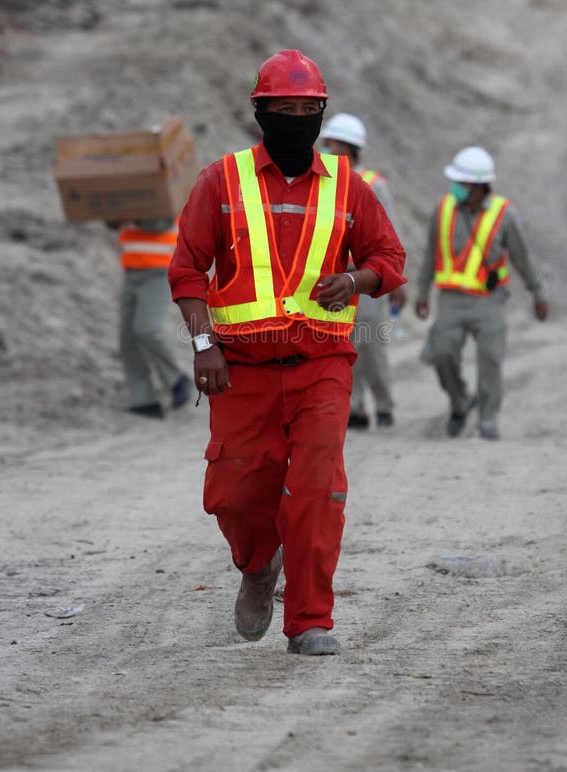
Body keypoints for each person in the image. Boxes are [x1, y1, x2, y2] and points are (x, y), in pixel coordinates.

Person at [169, 50, 406, 656]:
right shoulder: (221, 181)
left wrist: (354, 282)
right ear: (260, 113)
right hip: (240, 371)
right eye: (283, 109)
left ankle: (310, 621)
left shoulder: (348, 187)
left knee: (317, 490)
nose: (296, 118)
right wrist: (204, 344)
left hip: (321, 368)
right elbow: (188, 269)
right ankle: (256, 566)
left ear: (322, 113)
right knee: (236, 494)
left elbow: (389, 260)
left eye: (307, 109)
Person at [415, 146, 548, 441]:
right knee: (441, 353)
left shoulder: (504, 213)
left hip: (491, 301)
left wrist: (538, 293)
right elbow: (429, 254)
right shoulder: (443, 208)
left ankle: (488, 419)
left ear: (478, 185)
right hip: (450, 299)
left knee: (491, 358)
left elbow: (522, 257)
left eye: (461, 183)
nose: (455, 187)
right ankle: (460, 403)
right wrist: (421, 293)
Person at [321, 112, 407, 430]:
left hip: (367, 279)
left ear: (351, 147)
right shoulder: (324, 182)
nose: (327, 149)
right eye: (326, 143)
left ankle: (384, 404)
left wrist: (395, 280)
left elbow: (392, 233)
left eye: (333, 144)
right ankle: (355, 409)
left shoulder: (374, 184)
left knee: (371, 344)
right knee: (344, 345)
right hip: (337, 279)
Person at [111, 217, 191, 419]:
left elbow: (158, 223)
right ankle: (144, 400)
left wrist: (129, 211)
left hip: (161, 270)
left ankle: (177, 380)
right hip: (132, 271)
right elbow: (113, 221)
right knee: (127, 340)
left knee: (147, 328)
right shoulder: (125, 191)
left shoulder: (160, 190)